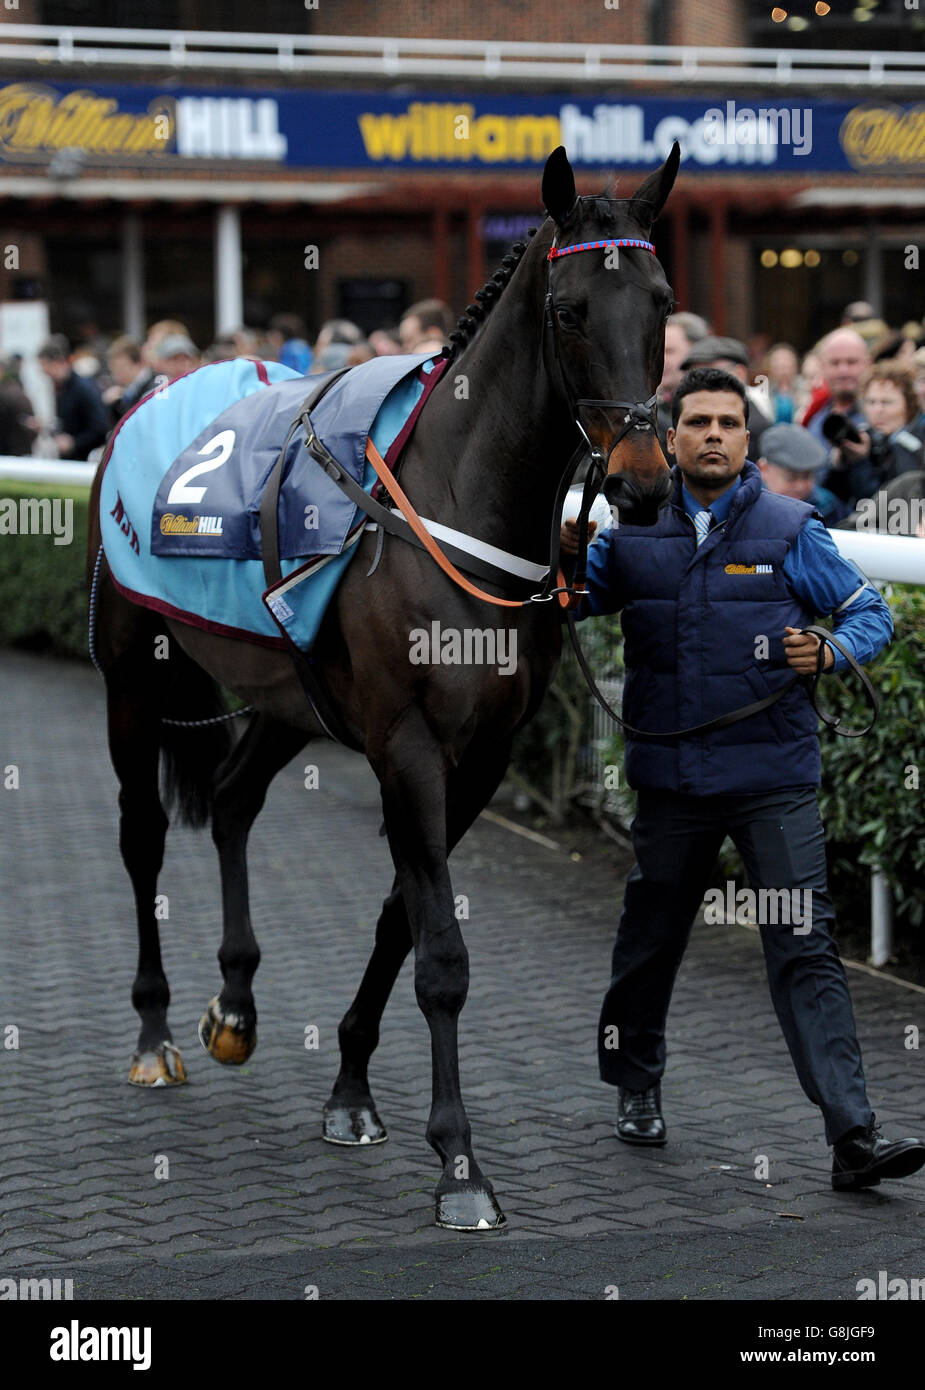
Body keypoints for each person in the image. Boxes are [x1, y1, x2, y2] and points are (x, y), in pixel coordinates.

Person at [562, 366, 925, 1192]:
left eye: (729, 421)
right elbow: (570, 605)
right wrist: (565, 563)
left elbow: (870, 612)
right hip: (671, 782)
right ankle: (634, 1083)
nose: (715, 434)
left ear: (746, 437)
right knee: (649, 941)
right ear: (671, 435)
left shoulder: (792, 526)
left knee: (804, 947)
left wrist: (831, 650)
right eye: (698, 422)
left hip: (772, 777)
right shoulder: (631, 532)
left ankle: (852, 1136)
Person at [824, 362, 925, 511]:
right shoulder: (867, 437)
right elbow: (832, 499)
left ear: (909, 405)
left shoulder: (914, 446)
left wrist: (860, 462)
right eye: (871, 402)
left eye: (887, 402)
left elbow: (886, 509)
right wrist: (840, 464)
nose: (878, 410)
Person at [679, 335, 773, 454]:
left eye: (711, 375)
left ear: (739, 374)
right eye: (693, 376)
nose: (701, 385)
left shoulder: (755, 428)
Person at [757, 422, 850, 527]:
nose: (800, 486)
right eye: (791, 478)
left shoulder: (829, 505)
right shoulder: (746, 509)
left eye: (806, 476)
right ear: (763, 469)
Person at [37, 336, 109, 460]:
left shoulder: (83, 389)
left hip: (84, 463)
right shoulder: (61, 388)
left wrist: (74, 442)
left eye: (46, 366)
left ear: (59, 362)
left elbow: (100, 429)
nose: (44, 371)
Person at [804, 327, 870, 449]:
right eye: (835, 363)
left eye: (851, 362)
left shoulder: (883, 416)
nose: (843, 371)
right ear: (822, 367)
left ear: (868, 363)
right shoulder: (814, 420)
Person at [656, 310, 711, 442]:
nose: (659, 359)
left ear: (697, 351)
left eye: (669, 351)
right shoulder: (651, 407)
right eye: (657, 351)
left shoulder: (722, 403)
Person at [102, 336, 154, 422]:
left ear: (138, 363)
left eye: (120, 367)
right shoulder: (129, 390)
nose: (116, 374)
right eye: (113, 369)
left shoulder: (152, 388)